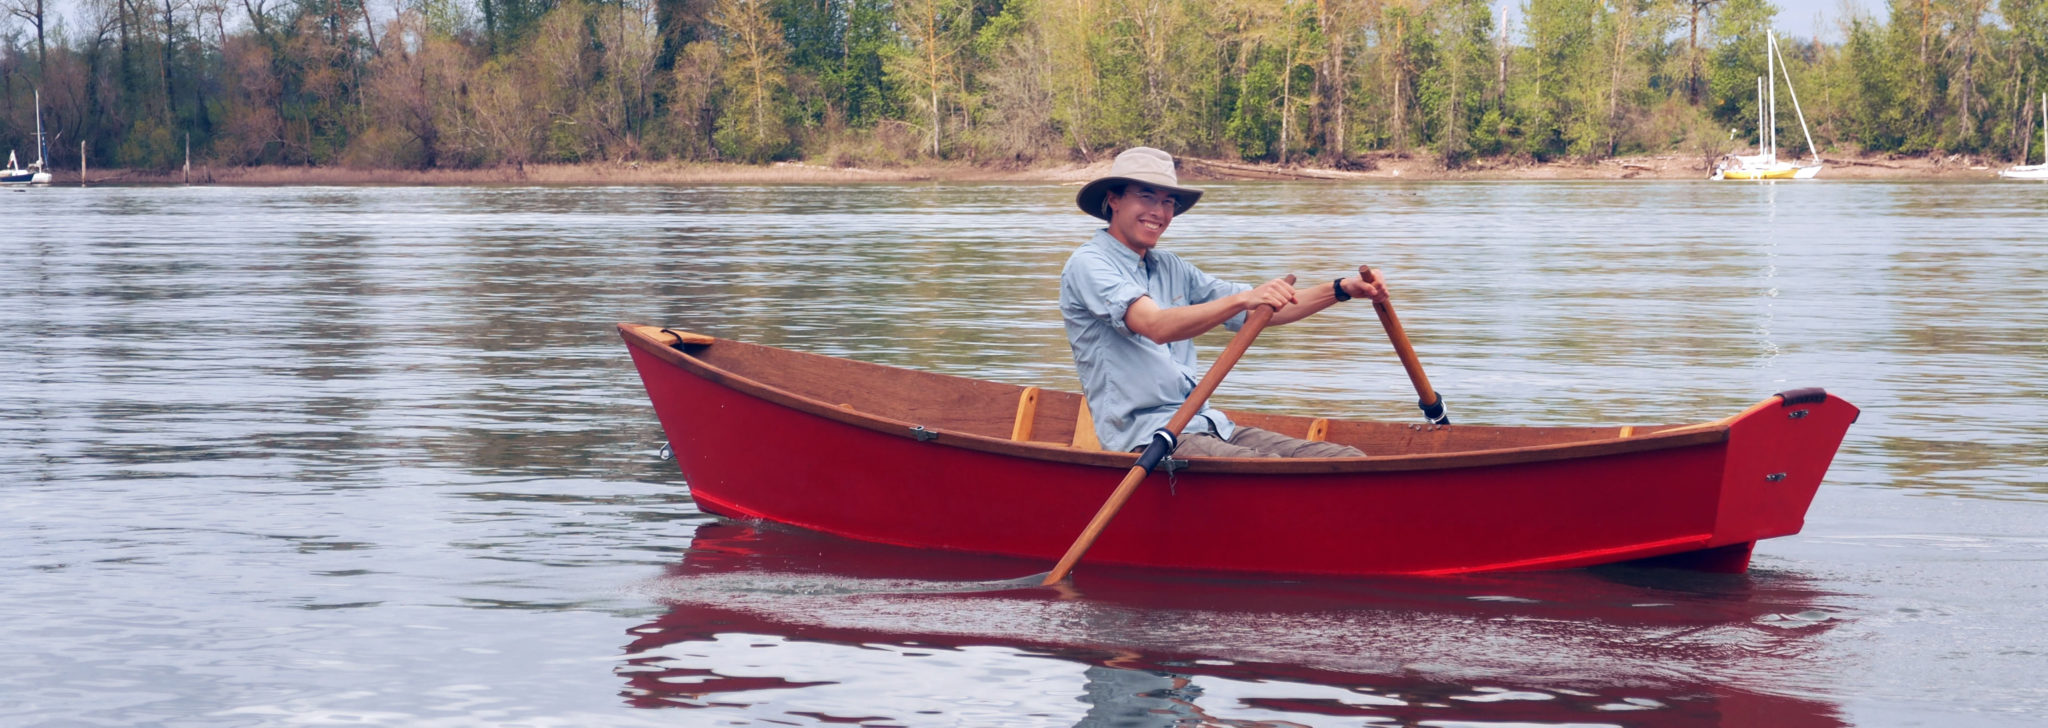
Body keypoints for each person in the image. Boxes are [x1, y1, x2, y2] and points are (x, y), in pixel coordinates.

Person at [1060, 146, 1389, 459]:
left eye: (1168, 201)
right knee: (1267, 471)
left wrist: (1342, 288)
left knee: (1344, 458)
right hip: (1146, 439)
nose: (1159, 213)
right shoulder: (1089, 264)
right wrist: (1244, 298)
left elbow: (1260, 312)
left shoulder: (1171, 266)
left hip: (1207, 425)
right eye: (1146, 197)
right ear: (1113, 199)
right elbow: (1155, 326)